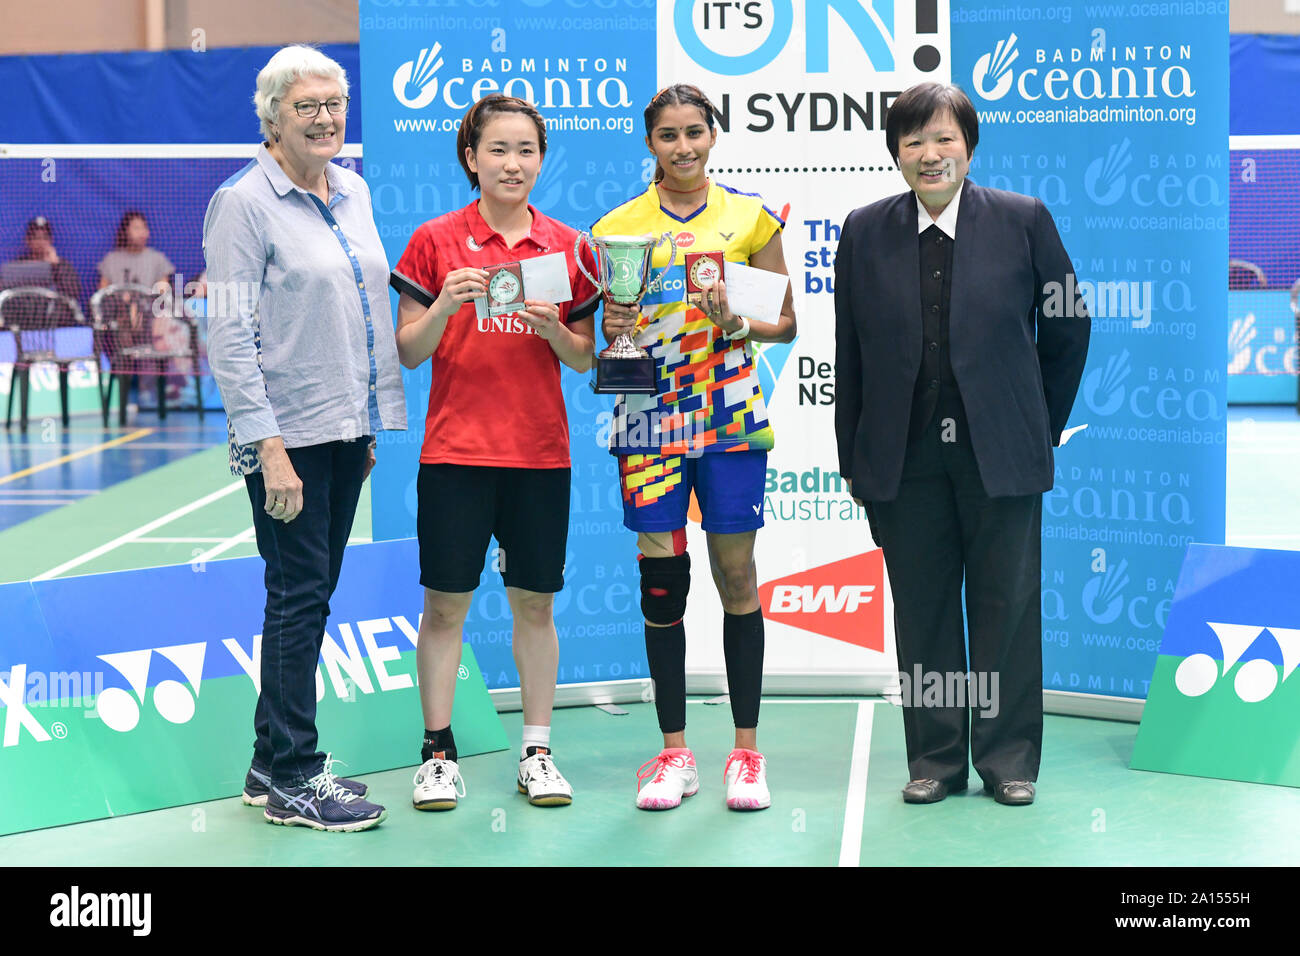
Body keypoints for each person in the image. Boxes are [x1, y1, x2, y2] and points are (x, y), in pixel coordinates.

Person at [834, 82, 1090, 806]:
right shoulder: (864, 230)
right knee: (923, 611)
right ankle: (936, 760)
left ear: (968, 146)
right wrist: (856, 460)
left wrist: (1037, 425)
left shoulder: (1022, 220)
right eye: (913, 141)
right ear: (895, 154)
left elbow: (1068, 327)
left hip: (1001, 457)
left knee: (1007, 610)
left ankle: (1009, 760)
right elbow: (848, 354)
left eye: (944, 137)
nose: (929, 153)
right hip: (904, 460)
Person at [203, 44, 406, 831]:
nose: (325, 118)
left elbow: (360, 306)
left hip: (344, 428)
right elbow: (228, 333)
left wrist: (364, 415)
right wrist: (268, 448)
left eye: (333, 104)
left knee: (310, 596)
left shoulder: (350, 188)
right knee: (296, 599)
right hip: (286, 440)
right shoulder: (241, 203)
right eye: (306, 107)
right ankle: (294, 775)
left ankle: (267, 763)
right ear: (271, 117)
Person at [389, 94, 598, 811]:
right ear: (471, 158)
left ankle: (536, 751)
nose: (514, 163)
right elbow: (409, 353)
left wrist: (553, 333)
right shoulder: (434, 241)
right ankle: (437, 753)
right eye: (499, 150)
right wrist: (444, 305)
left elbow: (585, 360)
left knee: (534, 604)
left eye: (527, 150)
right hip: (455, 455)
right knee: (445, 606)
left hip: (539, 456)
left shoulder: (571, 247)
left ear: (542, 160)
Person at [594, 84, 797, 812]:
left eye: (694, 133)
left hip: (730, 419)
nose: (683, 147)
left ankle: (746, 753)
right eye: (668, 136)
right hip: (648, 419)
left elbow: (786, 321)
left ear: (713, 135)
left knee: (736, 577)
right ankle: (674, 751)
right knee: (662, 580)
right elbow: (607, 341)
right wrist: (614, 322)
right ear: (649, 143)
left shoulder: (751, 216)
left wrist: (737, 320)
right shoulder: (616, 227)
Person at [2, 216, 83, 304]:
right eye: (36, 238)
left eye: (44, 238)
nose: (40, 242)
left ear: (50, 241)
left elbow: (73, 293)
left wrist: (56, 267)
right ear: (28, 240)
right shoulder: (17, 267)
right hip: (23, 313)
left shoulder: (62, 266)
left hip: (52, 314)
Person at [98, 211, 174, 293]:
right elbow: (102, 295)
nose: (142, 233)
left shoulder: (157, 259)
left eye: (144, 228)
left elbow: (162, 296)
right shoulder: (111, 260)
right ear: (125, 232)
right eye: (136, 228)